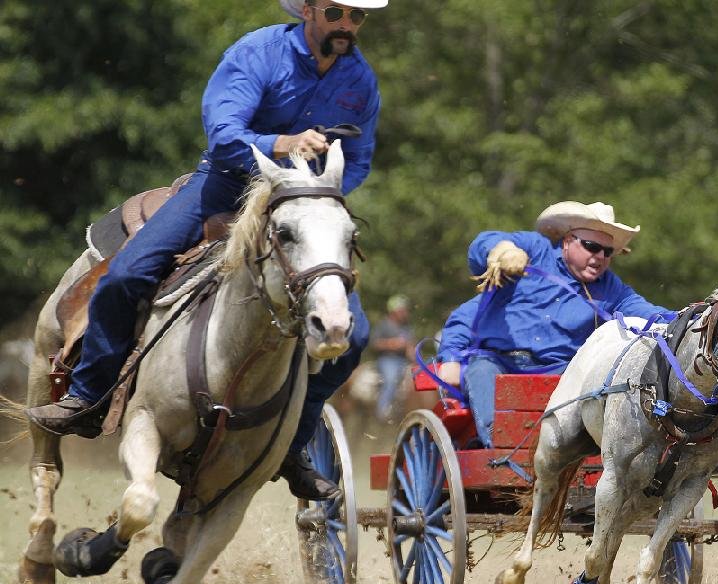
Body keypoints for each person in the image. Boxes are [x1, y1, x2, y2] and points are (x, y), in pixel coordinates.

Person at [26, 0, 388, 501]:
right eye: (335, 13)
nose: (346, 25)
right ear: (306, 9)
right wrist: (283, 144)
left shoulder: (360, 80)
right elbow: (223, 135)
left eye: (357, 17)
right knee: (126, 275)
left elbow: (361, 159)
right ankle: (88, 395)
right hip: (223, 186)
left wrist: (318, 189)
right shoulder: (257, 53)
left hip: (298, 203)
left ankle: (290, 445)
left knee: (357, 332)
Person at [436, 201, 676, 448]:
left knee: (598, 387)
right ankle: (499, 450)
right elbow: (483, 243)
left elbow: (652, 315)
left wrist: (694, 317)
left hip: (561, 373)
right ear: (567, 240)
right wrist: (503, 250)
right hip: (497, 362)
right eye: (592, 247)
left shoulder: (611, 288)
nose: (600, 257)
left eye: (608, 251)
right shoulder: (534, 250)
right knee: (481, 372)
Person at [370, 294, 414, 421]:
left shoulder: (407, 327)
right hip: (387, 360)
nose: (405, 313)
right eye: (402, 310)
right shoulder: (384, 325)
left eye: (406, 310)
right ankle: (382, 410)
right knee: (391, 380)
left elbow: (410, 345)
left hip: (404, 361)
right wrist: (392, 344)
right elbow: (374, 343)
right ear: (394, 311)